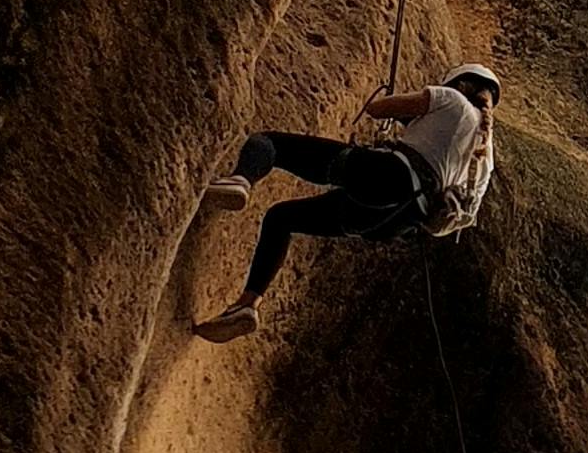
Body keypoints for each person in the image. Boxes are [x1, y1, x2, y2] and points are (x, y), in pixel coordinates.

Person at [190, 63, 499, 341]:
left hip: (385, 175)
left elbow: (378, 108)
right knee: (281, 218)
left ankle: (241, 180)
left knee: (269, 143)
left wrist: (407, 119)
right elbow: (455, 217)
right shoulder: (485, 159)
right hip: (394, 222)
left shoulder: (452, 100)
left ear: (460, 84)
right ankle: (247, 304)